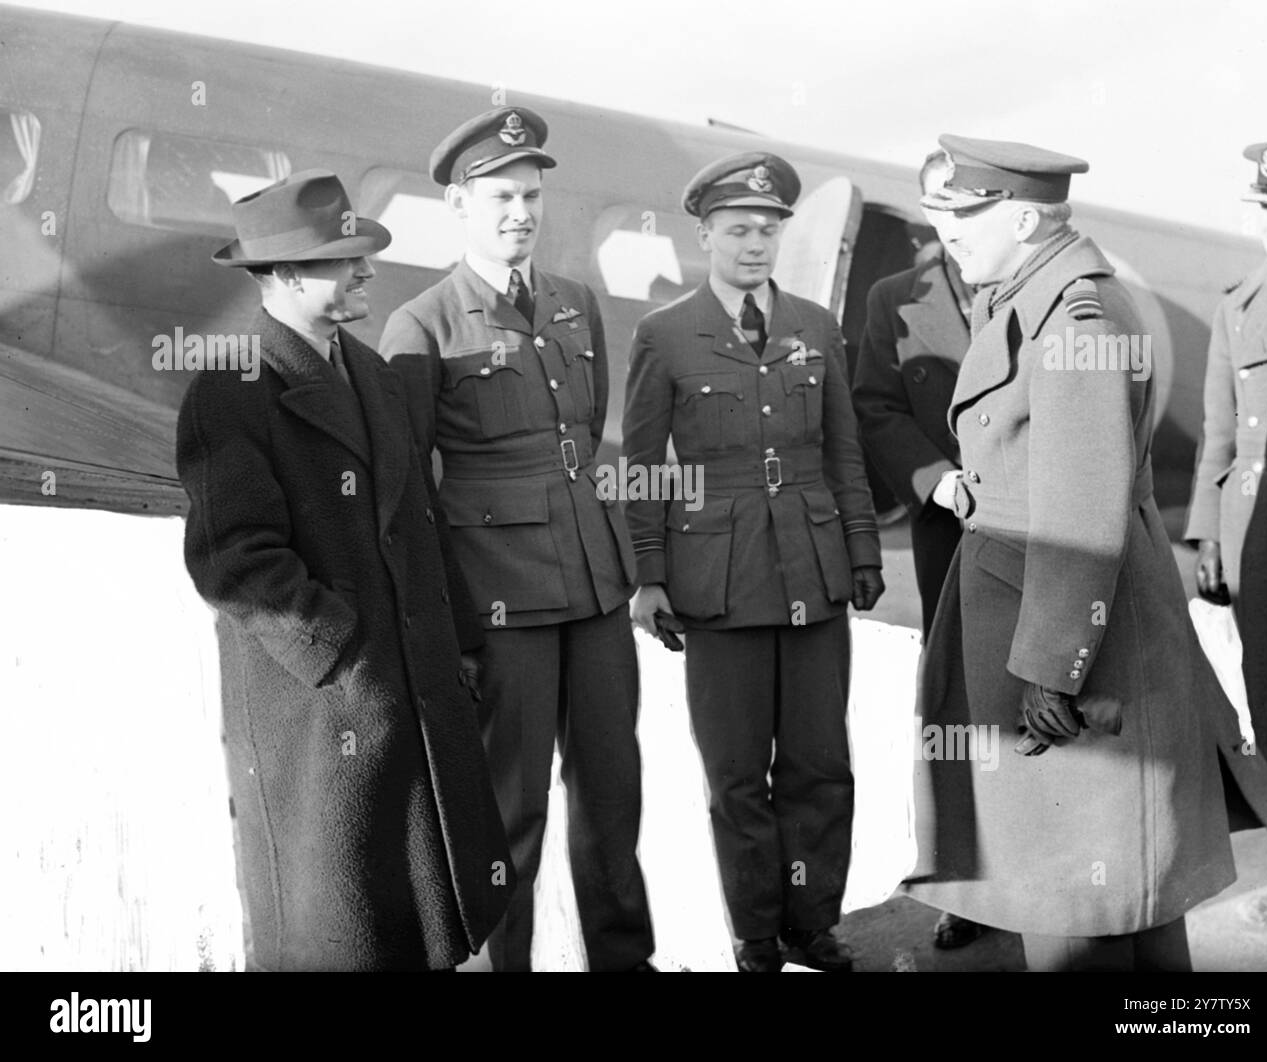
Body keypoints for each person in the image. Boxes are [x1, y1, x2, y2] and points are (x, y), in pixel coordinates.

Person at [902, 135, 1267, 971]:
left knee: (1078, 898)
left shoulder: (1076, 320)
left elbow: (1080, 509)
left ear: (1025, 220)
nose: (947, 233)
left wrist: (1050, 669)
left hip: (1066, 635)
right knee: (1114, 891)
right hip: (1042, 612)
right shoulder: (1028, 298)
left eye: (965, 215)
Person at [175, 169, 512, 971]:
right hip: (323, 714)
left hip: (412, 692)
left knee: (424, 922)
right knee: (340, 931)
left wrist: (461, 645)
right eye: (343, 258)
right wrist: (344, 656)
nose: (366, 270)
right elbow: (232, 559)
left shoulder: (372, 373)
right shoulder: (230, 387)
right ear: (287, 274)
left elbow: (422, 522)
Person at [378, 107, 655, 972]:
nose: (520, 213)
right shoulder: (422, 326)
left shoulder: (575, 305)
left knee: (613, 792)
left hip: (595, 587)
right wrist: (448, 625)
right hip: (501, 600)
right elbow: (407, 493)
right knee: (511, 808)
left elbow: (583, 443)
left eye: (531, 196)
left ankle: (623, 960)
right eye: (500, 196)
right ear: (459, 205)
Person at [623, 152, 884, 972]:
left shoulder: (816, 326)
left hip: (814, 570)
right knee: (736, 776)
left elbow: (844, 450)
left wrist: (862, 548)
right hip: (719, 583)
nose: (755, 245)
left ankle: (813, 925)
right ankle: (758, 936)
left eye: (768, 231)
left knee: (820, 766)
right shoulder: (665, 334)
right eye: (738, 230)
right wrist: (649, 576)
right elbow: (643, 467)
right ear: (704, 235)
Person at [852, 149, 987, 952]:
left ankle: (1054, 878)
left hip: (1041, 529)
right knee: (956, 707)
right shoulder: (894, 298)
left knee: (1047, 691)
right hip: (948, 531)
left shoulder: (1035, 289)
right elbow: (875, 403)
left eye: (971, 203)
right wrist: (937, 482)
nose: (955, 220)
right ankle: (964, 884)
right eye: (941, 204)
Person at [1185, 139, 1267, 923]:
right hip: (1259, 521)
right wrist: (1208, 536)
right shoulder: (1239, 303)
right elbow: (1218, 433)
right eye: (1265, 209)